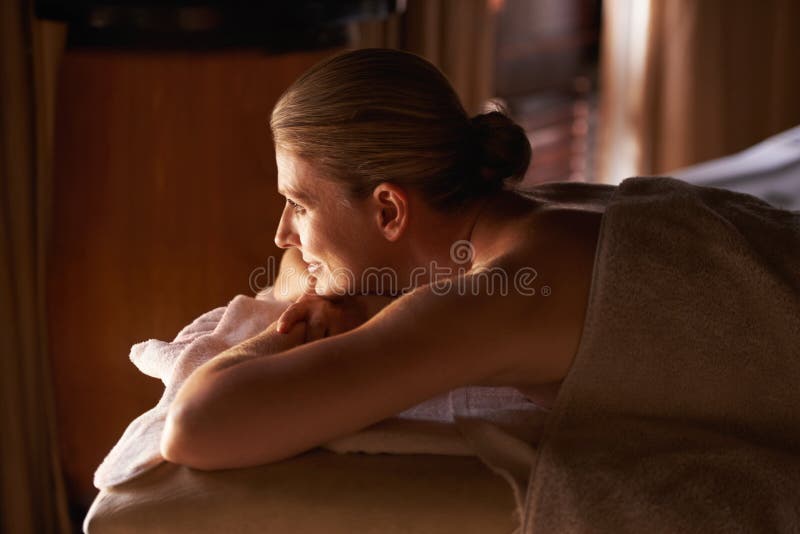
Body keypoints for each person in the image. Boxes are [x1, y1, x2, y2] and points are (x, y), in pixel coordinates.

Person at [160, 48, 608, 470]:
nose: (282, 236)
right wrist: (346, 301)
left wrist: (292, 333)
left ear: (389, 210)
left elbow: (193, 427)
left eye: (300, 205)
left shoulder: (494, 297)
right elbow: (294, 270)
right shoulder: (514, 214)